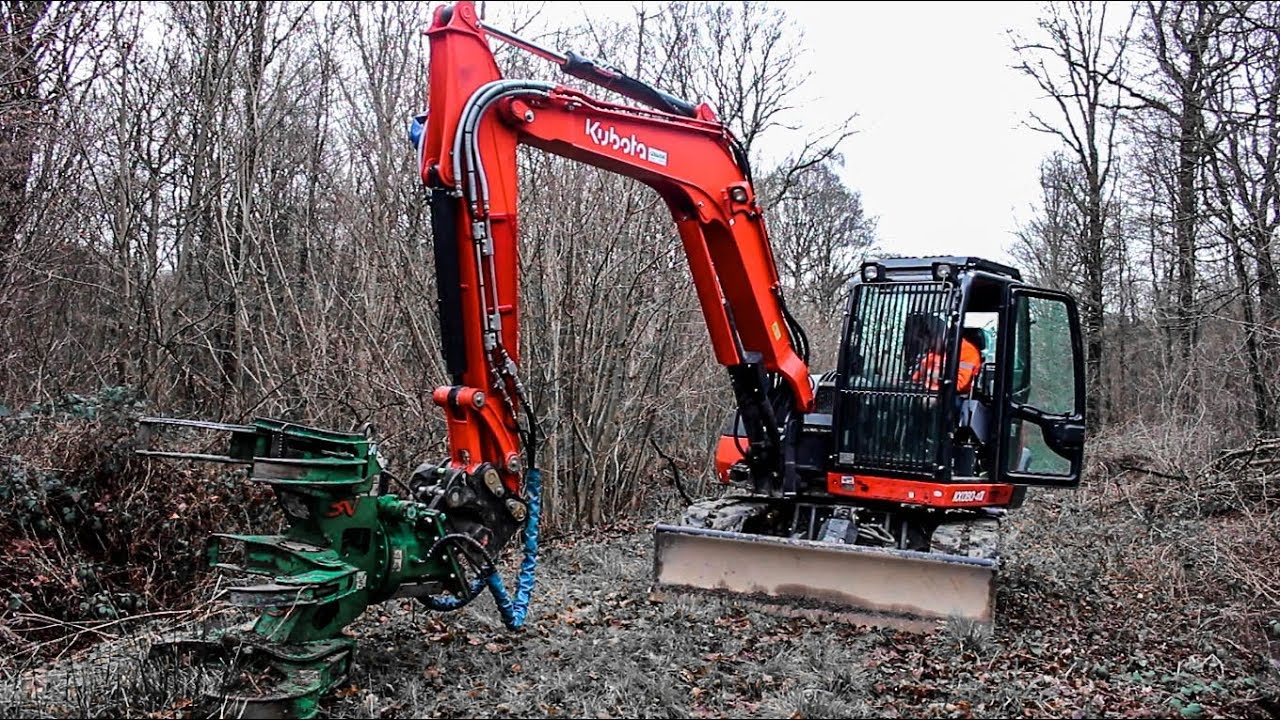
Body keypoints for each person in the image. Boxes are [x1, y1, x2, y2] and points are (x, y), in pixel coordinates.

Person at [910, 318, 983, 395]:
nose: (926, 345)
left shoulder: (967, 351)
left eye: (928, 341)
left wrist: (934, 379)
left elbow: (959, 385)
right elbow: (916, 379)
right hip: (930, 394)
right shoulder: (932, 354)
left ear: (940, 335)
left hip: (954, 397)